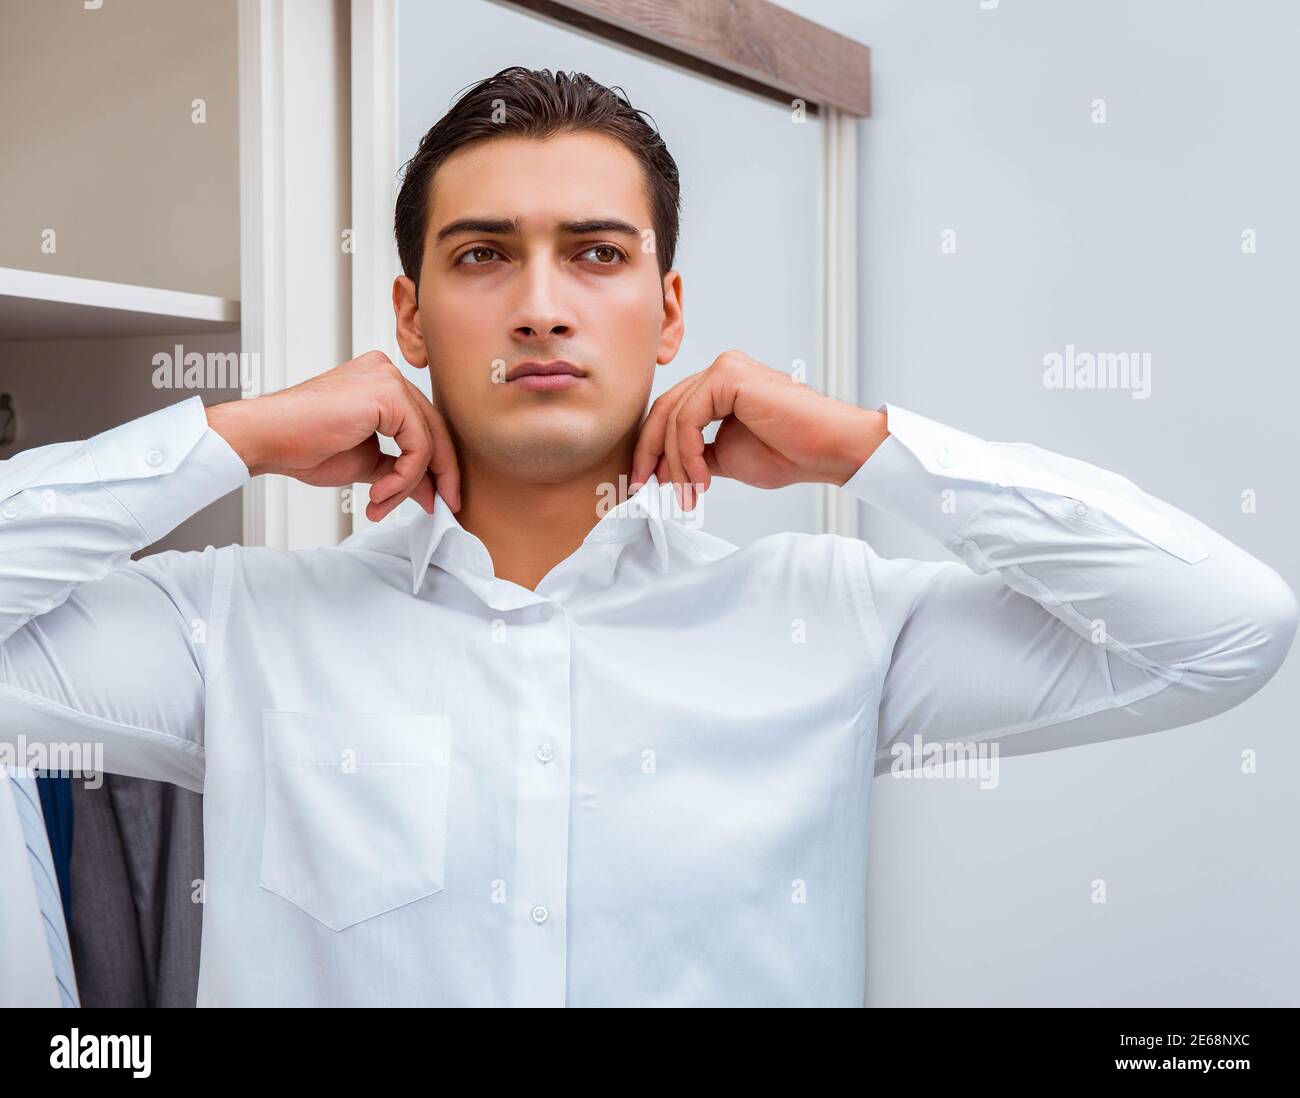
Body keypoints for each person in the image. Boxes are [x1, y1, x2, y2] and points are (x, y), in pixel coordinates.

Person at [0, 67, 1294, 1007]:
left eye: (597, 255)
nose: (543, 306)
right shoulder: (230, 631)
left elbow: (1227, 627)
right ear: (409, 312)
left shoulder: (834, 620)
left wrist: (865, 444)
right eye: (484, 255)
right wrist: (233, 435)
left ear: (668, 313)